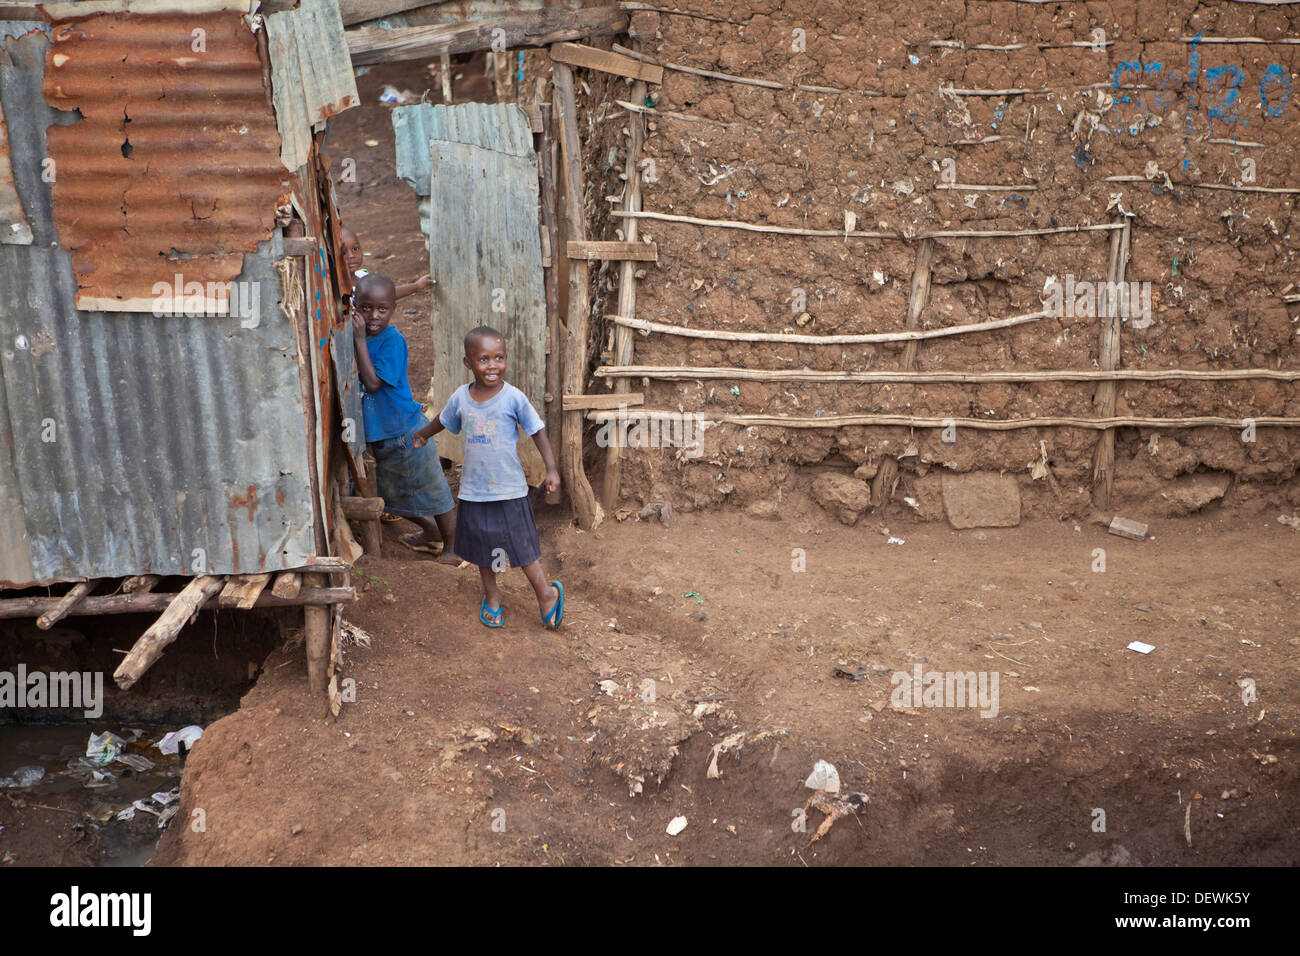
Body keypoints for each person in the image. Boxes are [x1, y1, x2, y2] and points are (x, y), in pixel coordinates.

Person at [413, 326, 564, 629]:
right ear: (468, 363)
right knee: (484, 550)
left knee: (523, 549)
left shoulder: (513, 398)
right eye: (484, 359)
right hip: (474, 492)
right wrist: (422, 435)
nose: (492, 366)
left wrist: (551, 469)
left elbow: (537, 431)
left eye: (499, 358)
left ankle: (546, 594)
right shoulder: (461, 398)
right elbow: (443, 420)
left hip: (509, 491)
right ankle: (492, 598)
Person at [351, 273, 458, 564]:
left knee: (434, 493)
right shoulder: (352, 335)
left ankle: (452, 548)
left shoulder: (392, 341)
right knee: (390, 495)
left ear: (393, 309)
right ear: (354, 307)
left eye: (382, 309)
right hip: (381, 436)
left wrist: (359, 340)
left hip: (407, 433)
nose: (374, 316)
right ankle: (430, 532)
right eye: (366, 308)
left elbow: (373, 383)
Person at [342, 226, 433, 299]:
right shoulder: (337, 291)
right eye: (343, 252)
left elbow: (386, 293)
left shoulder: (363, 276)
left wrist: (417, 286)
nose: (351, 255)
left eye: (355, 249)